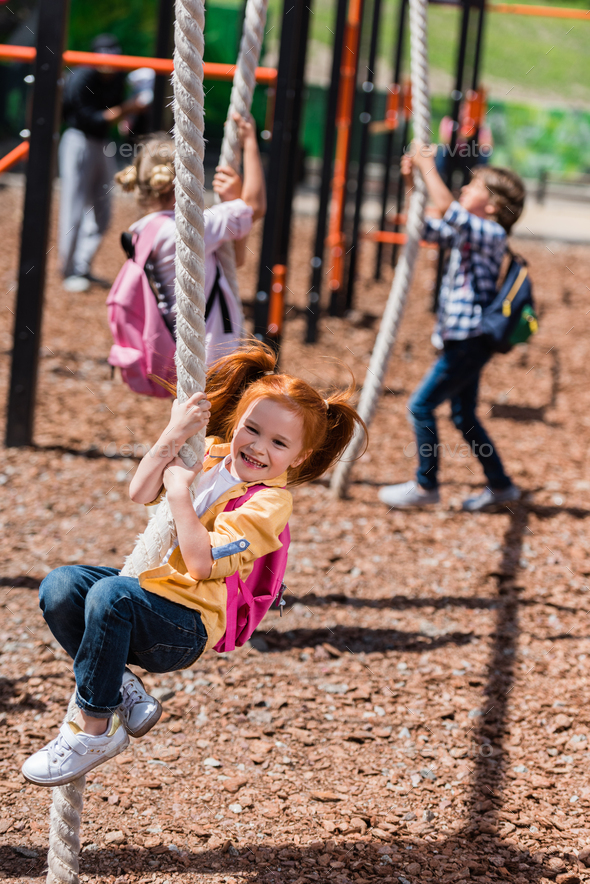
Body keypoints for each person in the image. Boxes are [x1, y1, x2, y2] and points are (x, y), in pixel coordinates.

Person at [21, 343, 367, 786]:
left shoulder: (270, 504)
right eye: (252, 429)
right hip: (149, 593)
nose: (258, 448)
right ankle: (121, 686)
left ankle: (95, 729)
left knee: (109, 596)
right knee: (61, 585)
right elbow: (141, 492)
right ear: (238, 420)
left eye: (279, 443)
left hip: (186, 624)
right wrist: (172, 438)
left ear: (298, 458)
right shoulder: (208, 453)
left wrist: (182, 493)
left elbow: (203, 564)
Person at [379, 144, 525, 512]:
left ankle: (426, 484)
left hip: (469, 339)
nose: (463, 189)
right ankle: (501, 485)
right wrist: (414, 180)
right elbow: (428, 226)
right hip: (461, 339)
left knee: (420, 406)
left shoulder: (491, 234)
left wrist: (429, 165)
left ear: (491, 206)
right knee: (463, 415)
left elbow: (449, 210)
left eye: (472, 187)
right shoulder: (470, 233)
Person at [114, 112, 266, 365]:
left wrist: (234, 204)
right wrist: (250, 143)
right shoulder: (188, 229)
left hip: (183, 346)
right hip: (212, 351)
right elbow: (255, 207)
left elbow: (234, 260)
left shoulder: (144, 229)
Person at [59, 34, 149, 293]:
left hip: (102, 144)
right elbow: (93, 120)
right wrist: (127, 109)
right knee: (74, 207)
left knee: (103, 211)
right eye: (105, 58)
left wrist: (128, 115)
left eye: (114, 58)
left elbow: (117, 115)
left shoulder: (119, 77)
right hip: (78, 140)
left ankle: (81, 265)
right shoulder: (81, 77)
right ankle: (68, 270)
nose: (110, 65)